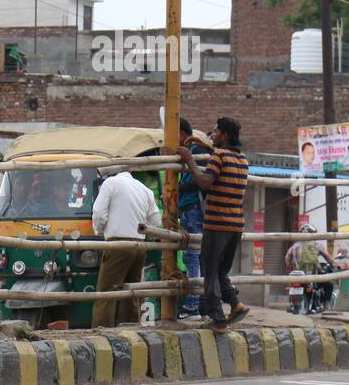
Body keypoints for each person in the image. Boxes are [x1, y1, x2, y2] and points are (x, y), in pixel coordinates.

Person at [178, 116, 250, 332]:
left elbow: (205, 182)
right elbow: (220, 159)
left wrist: (190, 160)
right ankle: (236, 304)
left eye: (216, 131)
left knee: (209, 271)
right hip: (236, 225)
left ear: (225, 135)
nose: (212, 134)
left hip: (217, 223)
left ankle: (218, 319)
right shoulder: (241, 159)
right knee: (220, 269)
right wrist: (205, 147)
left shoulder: (219, 156)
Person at [90, 170, 161, 328]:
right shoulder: (144, 189)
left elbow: (99, 213)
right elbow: (156, 221)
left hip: (117, 243)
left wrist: (99, 230)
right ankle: (130, 329)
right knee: (131, 291)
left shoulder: (111, 183)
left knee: (106, 292)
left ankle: (101, 330)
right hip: (140, 245)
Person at [177, 118, 207, 318]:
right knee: (194, 255)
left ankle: (193, 304)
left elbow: (193, 180)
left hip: (193, 208)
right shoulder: (194, 150)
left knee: (192, 255)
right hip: (190, 208)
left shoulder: (195, 152)